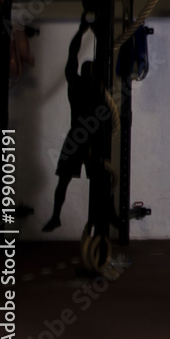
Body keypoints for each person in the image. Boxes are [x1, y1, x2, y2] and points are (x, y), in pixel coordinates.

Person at [43, 16, 104, 232]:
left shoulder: (93, 85)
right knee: (65, 180)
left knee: (100, 181)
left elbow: (100, 55)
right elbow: (72, 55)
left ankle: (101, 220)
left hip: (89, 137)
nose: (88, 70)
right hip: (78, 135)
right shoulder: (78, 84)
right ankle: (56, 216)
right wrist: (84, 30)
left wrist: (88, 30)